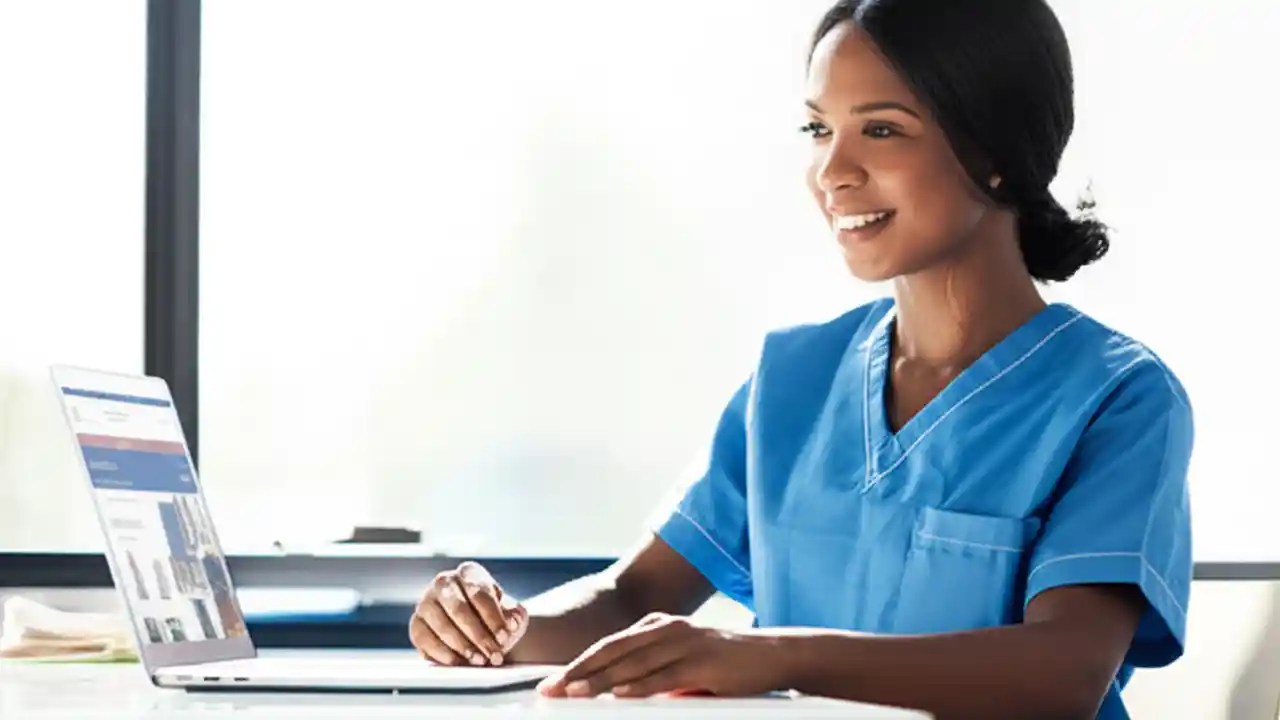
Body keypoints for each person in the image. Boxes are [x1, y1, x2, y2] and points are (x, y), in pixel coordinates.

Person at [408, 1, 1193, 717]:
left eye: (881, 129)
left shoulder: (1117, 397)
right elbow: (630, 596)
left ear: (996, 148)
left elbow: (1063, 671)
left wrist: (772, 658)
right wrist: (498, 625)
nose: (831, 171)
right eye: (819, 130)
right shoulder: (794, 379)